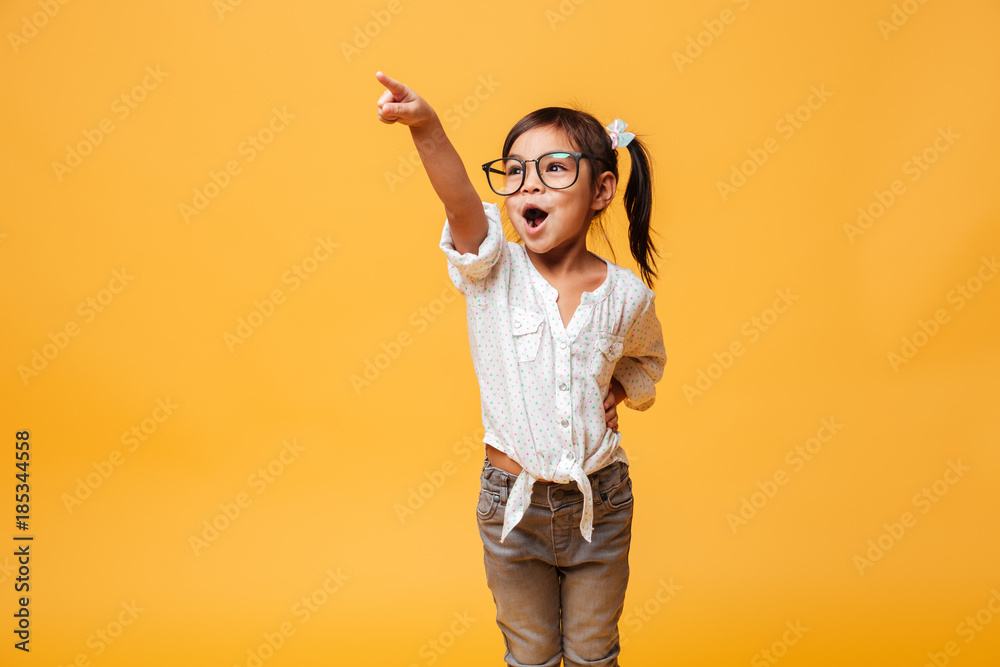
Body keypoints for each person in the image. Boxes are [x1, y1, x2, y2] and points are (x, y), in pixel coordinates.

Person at [375, 71, 667, 667]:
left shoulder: (627, 296)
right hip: (511, 506)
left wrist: (620, 384)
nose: (528, 184)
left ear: (602, 190)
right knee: (529, 655)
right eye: (514, 172)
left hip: (601, 507)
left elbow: (648, 358)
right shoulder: (493, 272)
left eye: (554, 169)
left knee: (593, 653)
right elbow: (457, 196)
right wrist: (426, 127)